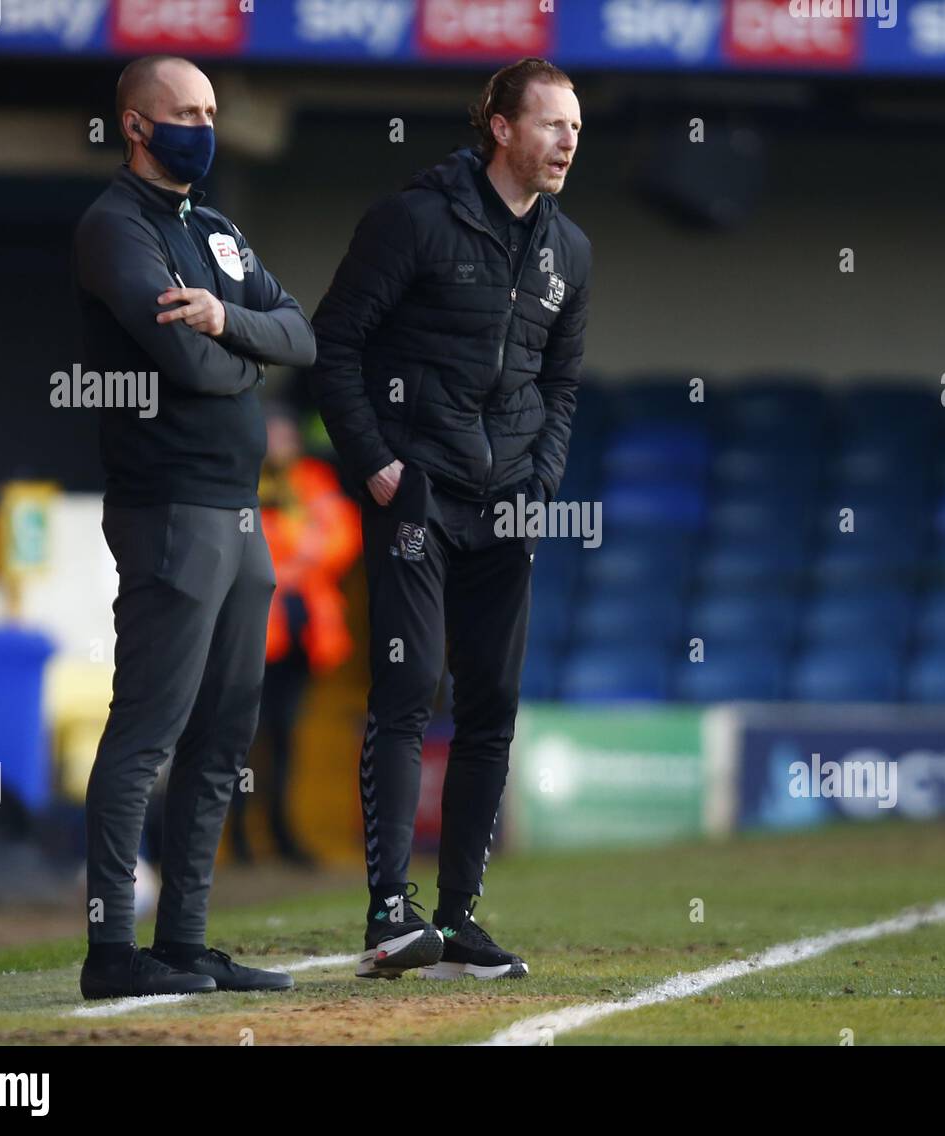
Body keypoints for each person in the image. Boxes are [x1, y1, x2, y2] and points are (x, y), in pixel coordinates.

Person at [309, 57, 591, 980]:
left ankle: (459, 917)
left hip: (508, 510)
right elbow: (334, 343)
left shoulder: (570, 252)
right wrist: (378, 466)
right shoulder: (414, 220)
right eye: (552, 125)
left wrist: (540, 486)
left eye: (576, 129)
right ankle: (388, 912)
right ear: (500, 127)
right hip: (418, 497)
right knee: (407, 690)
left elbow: (560, 385)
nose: (567, 143)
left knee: (492, 707)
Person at [73, 55, 315, 999]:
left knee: (224, 730)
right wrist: (233, 340)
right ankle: (109, 951)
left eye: (212, 110)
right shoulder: (113, 228)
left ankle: (183, 939)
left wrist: (229, 321)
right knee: (149, 730)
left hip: (239, 507)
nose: (205, 125)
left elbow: (303, 332)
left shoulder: (214, 229)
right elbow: (188, 367)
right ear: (136, 126)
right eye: (187, 111)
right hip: (169, 504)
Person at [229, 407, 361, 866]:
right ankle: (239, 839)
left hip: (305, 632)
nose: (281, 444)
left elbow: (342, 538)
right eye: (273, 435)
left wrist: (291, 553)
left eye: (286, 435)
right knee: (243, 736)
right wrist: (297, 549)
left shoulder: (315, 480)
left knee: (286, 735)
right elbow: (250, 549)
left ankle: (282, 832)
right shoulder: (241, 479)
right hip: (254, 633)